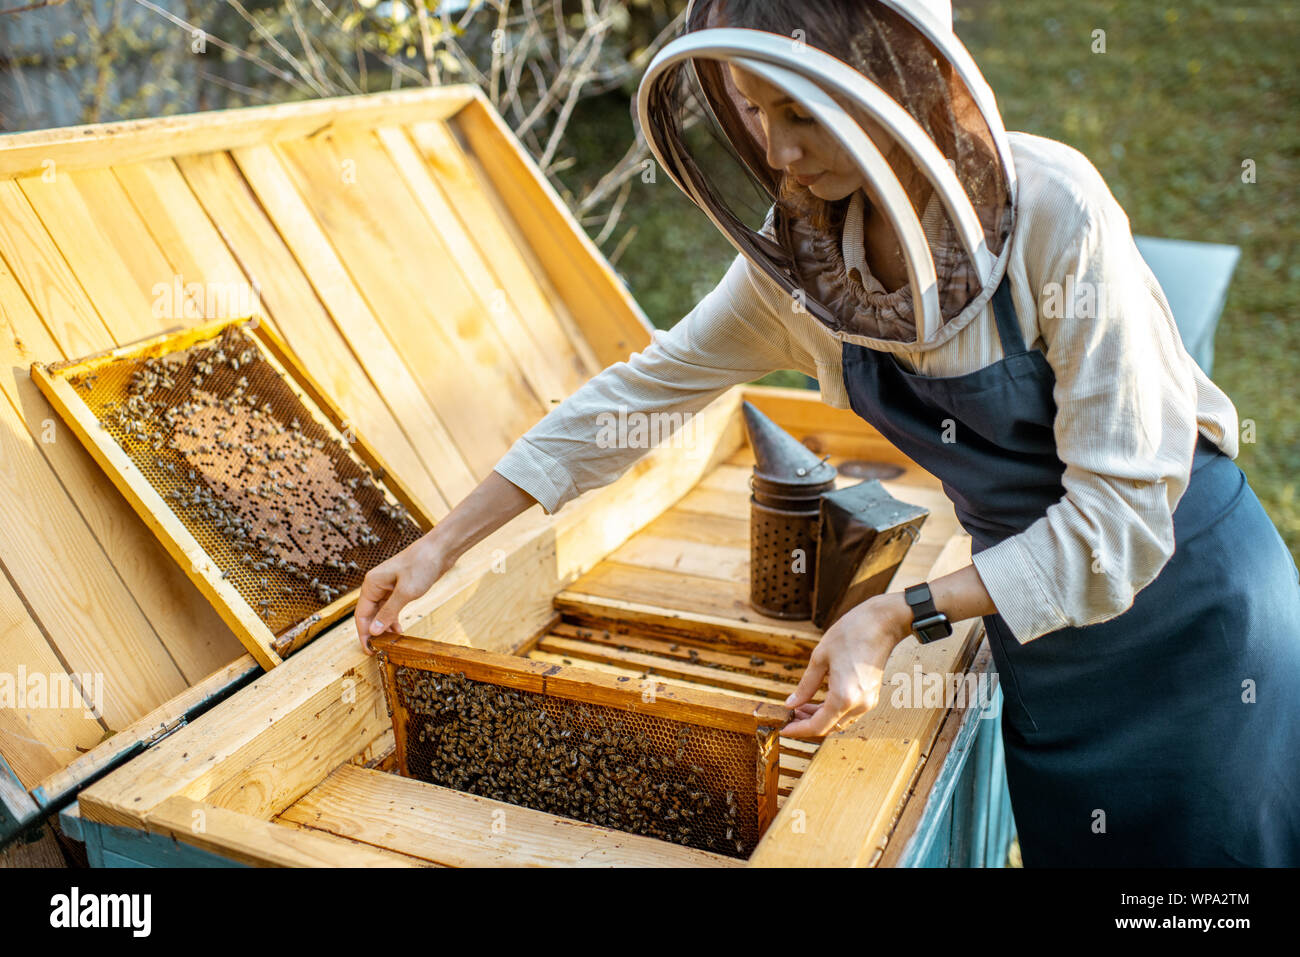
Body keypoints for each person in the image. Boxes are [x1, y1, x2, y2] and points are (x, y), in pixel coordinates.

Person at [356, 0, 1300, 866]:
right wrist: (441, 545)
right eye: (755, 114)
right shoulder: (800, 268)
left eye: (802, 115)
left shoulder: (1056, 213)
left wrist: (899, 612)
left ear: (897, 87)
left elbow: (1121, 525)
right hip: (1044, 637)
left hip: (1195, 615)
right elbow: (630, 399)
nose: (778, 152)